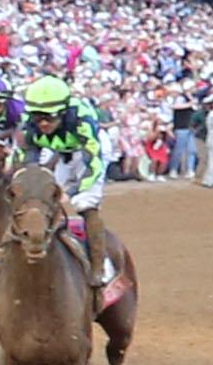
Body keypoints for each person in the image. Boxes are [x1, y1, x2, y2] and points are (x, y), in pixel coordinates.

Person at [20, 74, 131, 313]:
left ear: (63, 111)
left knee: (84, 203)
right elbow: (27, 161)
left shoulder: (82, 120)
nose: (43, 123)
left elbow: (93, 164)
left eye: (49, 117)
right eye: (38, 117)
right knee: (38, 197)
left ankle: (99, 268)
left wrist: (73, 191)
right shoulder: (28, 124)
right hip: (60, 150)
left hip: (89, 150)